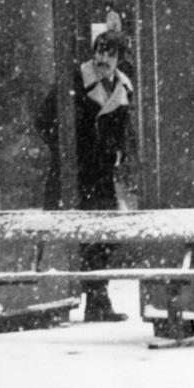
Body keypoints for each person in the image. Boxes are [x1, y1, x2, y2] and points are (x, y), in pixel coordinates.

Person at [71, 30, 137, 322]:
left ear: (119, 58)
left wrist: (121, 153)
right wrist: (74, 150)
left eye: (110, 54)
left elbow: (124, 128)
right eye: (99, 51)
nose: (102, 59)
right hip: (79, 173)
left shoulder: (123, 86)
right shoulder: (76, 80)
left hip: (104, 172)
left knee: (106, 234)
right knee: (89, 235)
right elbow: (47, 119)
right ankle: (94, 299)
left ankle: (97, 298)